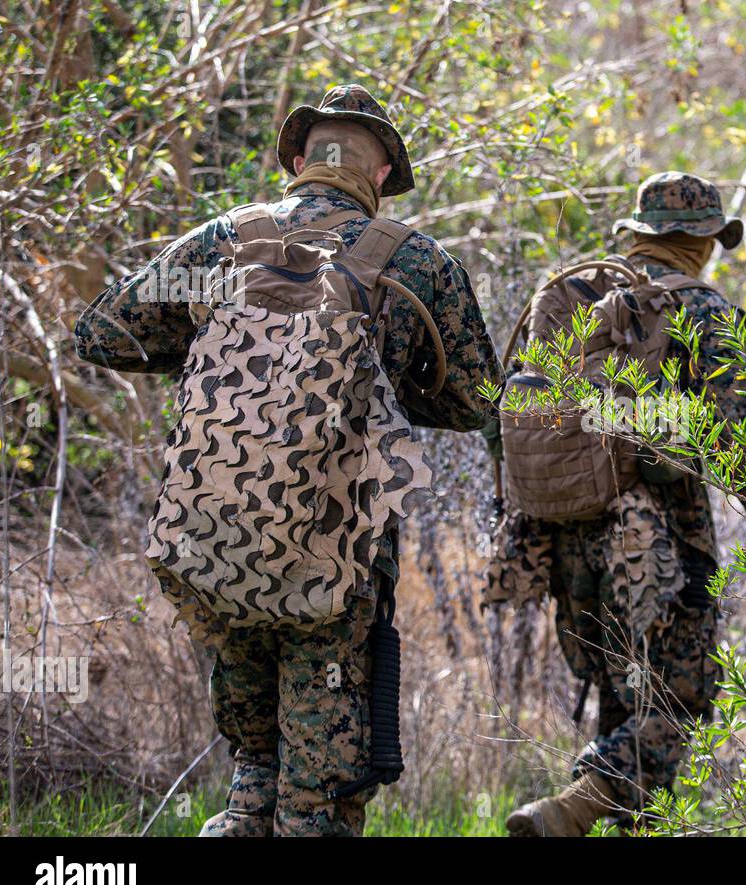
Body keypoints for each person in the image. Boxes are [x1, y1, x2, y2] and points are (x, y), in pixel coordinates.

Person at [75, 84, 503, 836]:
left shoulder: (220, 241)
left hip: (217, 541)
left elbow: (103, 334)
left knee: (254, 780)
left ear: (301, 158)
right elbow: (475, 402)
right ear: (379, 175)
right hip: (338, 558)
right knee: (318, 798)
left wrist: (215, 342)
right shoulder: (415, 264)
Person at [486, 171, 746, 836]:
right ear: (703, 243)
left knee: (623, 705)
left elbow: (509, 415)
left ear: (639, 235)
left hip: (565, 536)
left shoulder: (573, 295)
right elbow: (733, 444)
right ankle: (573, 807)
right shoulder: (705, 312)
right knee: (678, 699)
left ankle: (597, 808)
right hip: (662, 544)